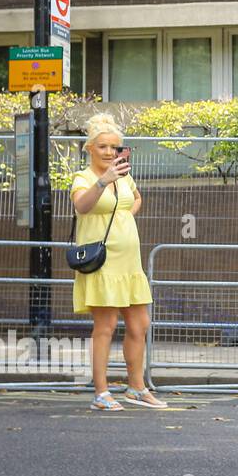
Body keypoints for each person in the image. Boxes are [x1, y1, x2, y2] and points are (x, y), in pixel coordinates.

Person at [71, 114, 163, 411]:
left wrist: (124, 218)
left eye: (114, 147)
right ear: (90, 149)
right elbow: (81, 206)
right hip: (103, 264)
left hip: (130, 265)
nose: (109, 152)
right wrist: (103, 181)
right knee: (105, 326)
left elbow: (136, 198)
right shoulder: (84, 178)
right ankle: (101, 392)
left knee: (140, 324)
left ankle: (136, 388)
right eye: (103, 147)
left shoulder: (125, 175)